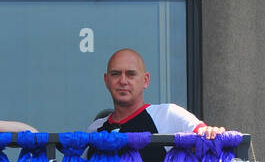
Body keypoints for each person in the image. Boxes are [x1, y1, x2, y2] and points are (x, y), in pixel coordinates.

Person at [87, 48, 227, 138]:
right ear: (107, 80)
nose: (123, 81)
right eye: (116, 74)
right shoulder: (94, 129)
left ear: (145, 80)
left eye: (131, 74)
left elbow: (206, 134)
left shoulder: (168, 114)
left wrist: (211, 133)